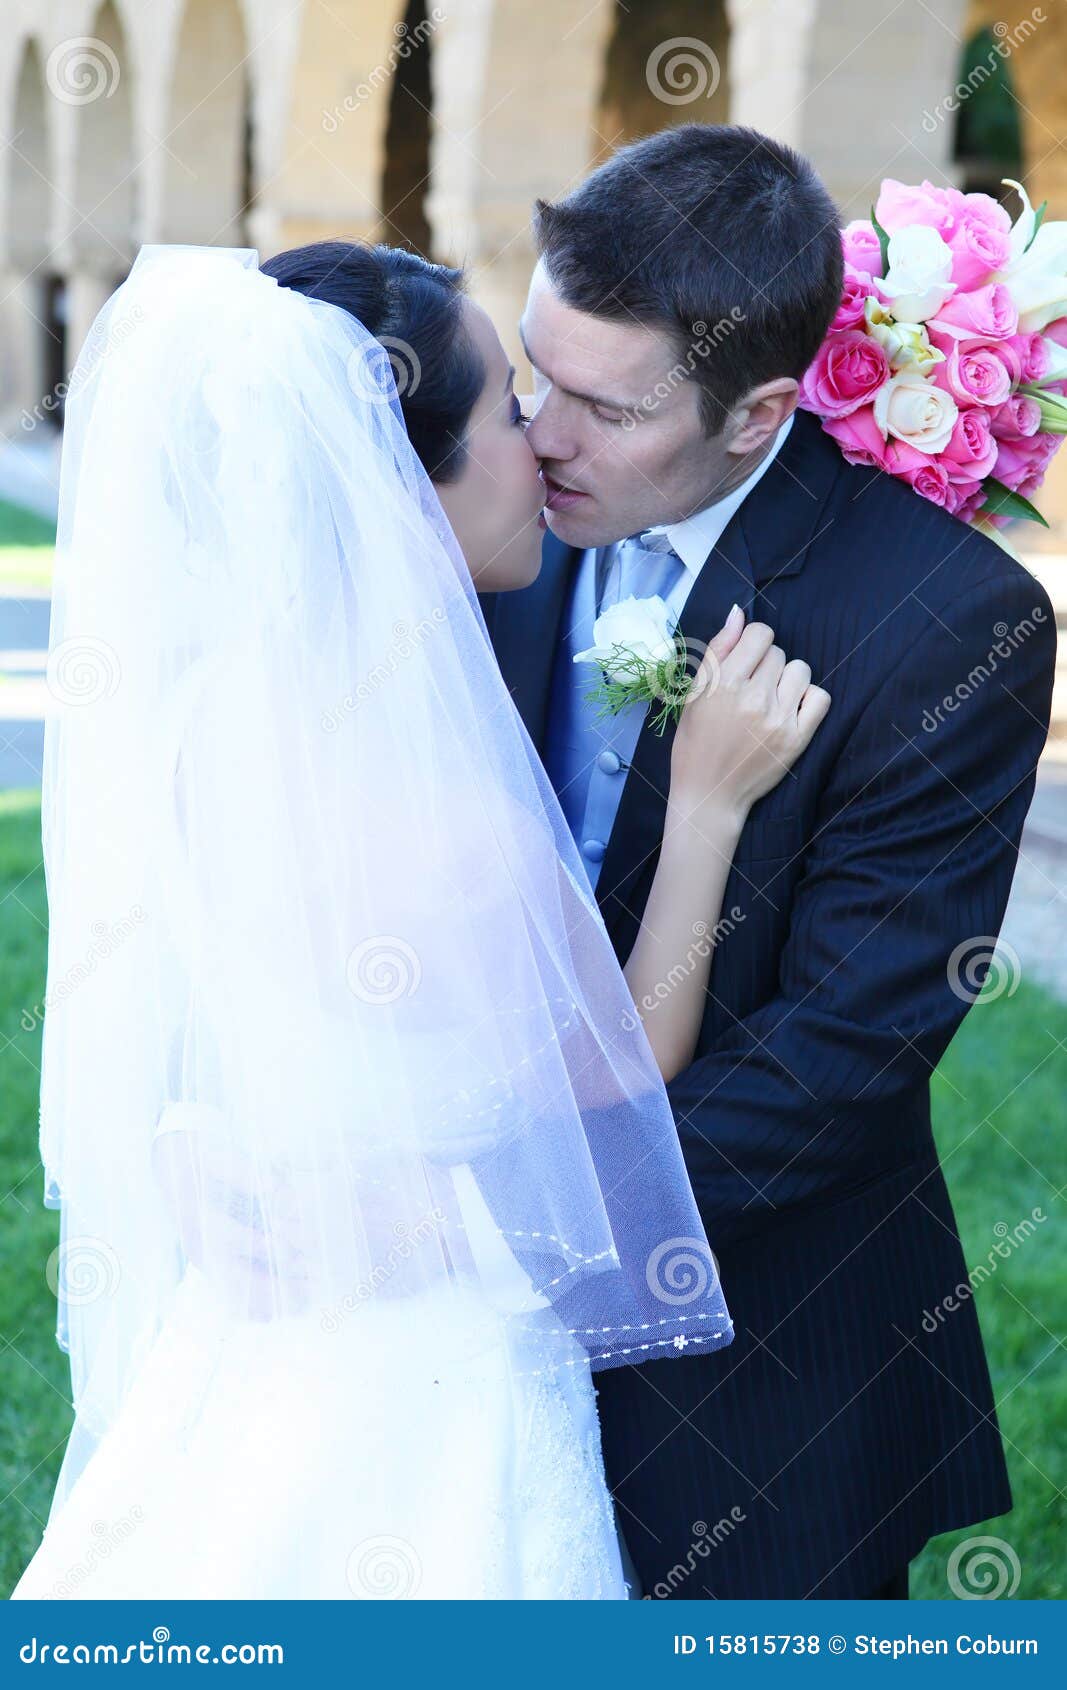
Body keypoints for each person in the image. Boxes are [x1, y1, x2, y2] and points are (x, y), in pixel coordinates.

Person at [13, 239, 826, 1600]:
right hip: (427, 1375)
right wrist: (706, 808)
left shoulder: (209, 711)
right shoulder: (433, 795)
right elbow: (617, 1058)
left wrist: (192, 1140)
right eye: (508, 407)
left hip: (255, 1342)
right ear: (398, 480)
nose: (543, 445)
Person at [481, 123, 1056, 1600]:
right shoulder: (482, 526)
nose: (542, 435)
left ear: (759, 415)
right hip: (451, 1352)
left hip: (760, 1375)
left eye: (603, 409)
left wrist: (536, 1222)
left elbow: (852, 1049)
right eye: (538, 371)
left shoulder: (942, 624)